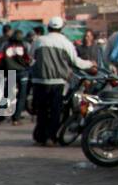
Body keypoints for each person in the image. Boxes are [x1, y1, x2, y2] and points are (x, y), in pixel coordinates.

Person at [30, 16, 94, 147]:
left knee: (41, 110)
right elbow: (76, 62)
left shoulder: (39, 41)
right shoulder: (66, 43)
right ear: (61, 28)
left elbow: (32, 57)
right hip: (57, 82)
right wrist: (90, 64)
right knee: (55, 111)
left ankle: (40, 136)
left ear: (48, 27)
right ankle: (50, 137)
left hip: (39, 81)